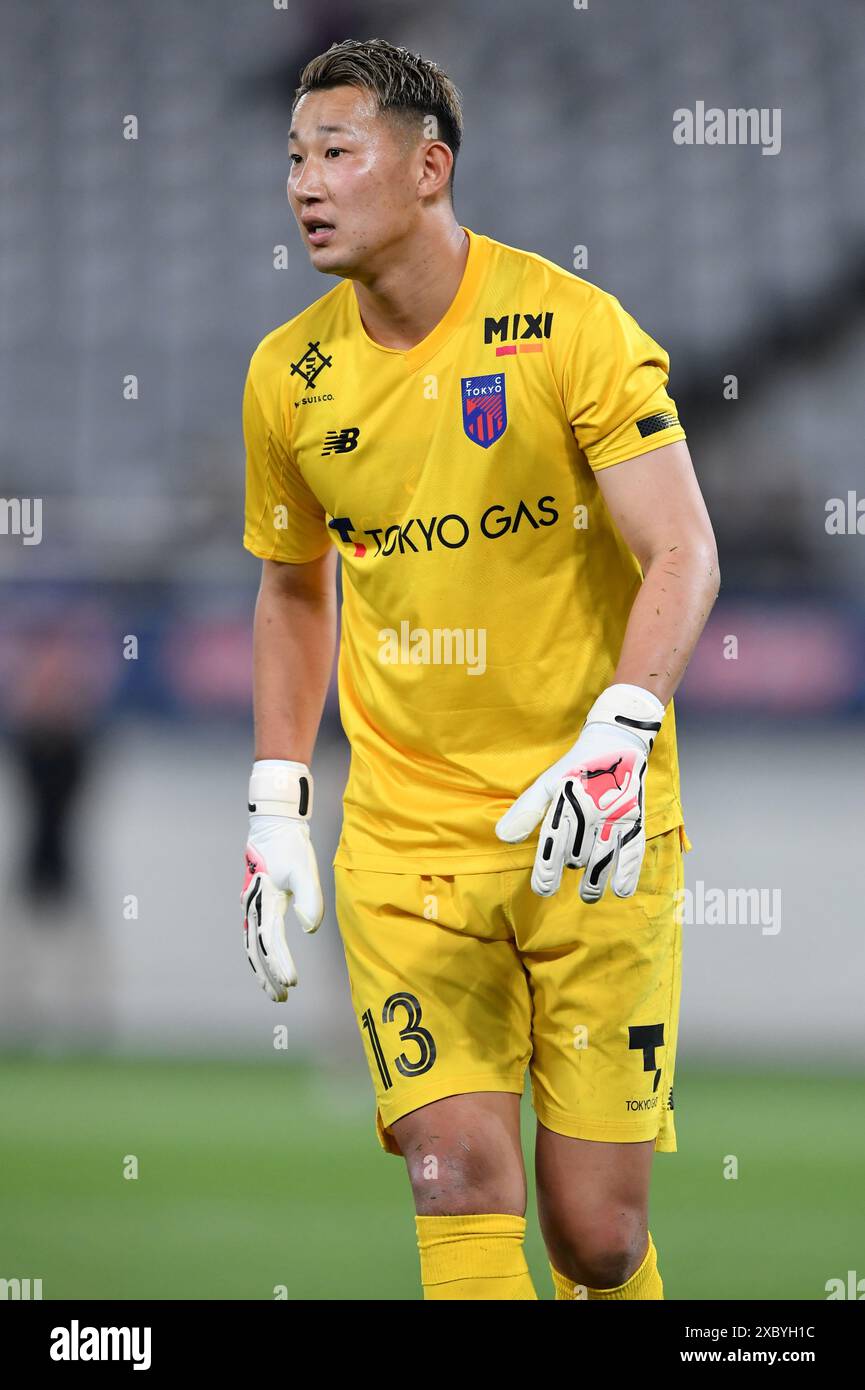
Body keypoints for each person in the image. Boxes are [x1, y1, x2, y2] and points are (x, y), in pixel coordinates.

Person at [240, 37, 719, 1301]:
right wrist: (276, 799)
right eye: (294, 157)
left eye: (337, 152)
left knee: (597, 1238)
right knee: (454, 1173)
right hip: (407, 848)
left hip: (591, 820)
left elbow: (682, 545)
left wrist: (621, 733)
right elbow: (295, 586)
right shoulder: (287, 378)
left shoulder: (571, 329)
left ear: (427, 166)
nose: (305, 183)